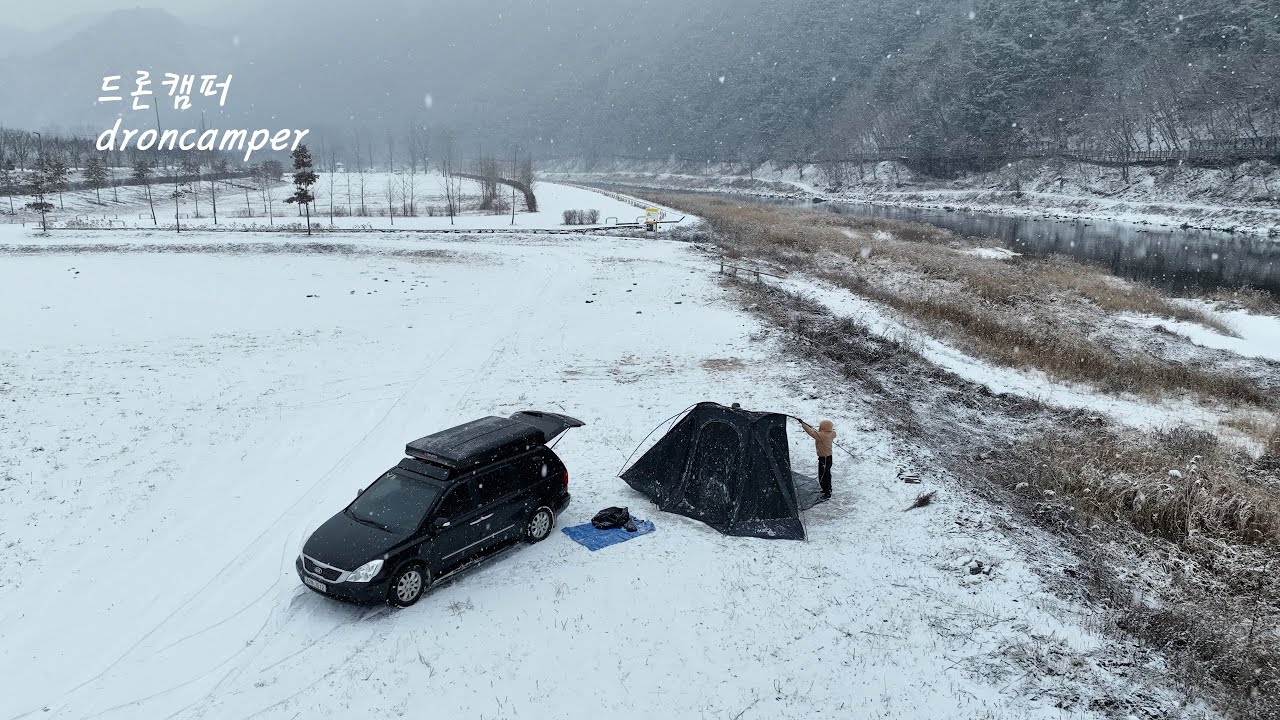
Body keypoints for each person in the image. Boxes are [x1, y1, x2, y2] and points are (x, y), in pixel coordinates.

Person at [801, 419, 836, 499]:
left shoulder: (822, 436)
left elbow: (812, 433)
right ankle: (826, 489)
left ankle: (827, 493)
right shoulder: (832, 433)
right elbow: (818, 433)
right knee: (825, 474)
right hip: (828, 458)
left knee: (824, 475)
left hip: (825, 459)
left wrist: (804, 425)